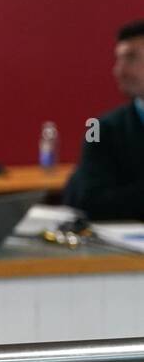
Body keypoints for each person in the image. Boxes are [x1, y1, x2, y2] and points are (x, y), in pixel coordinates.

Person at [65, 20, 144, 220]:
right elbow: (89, 200)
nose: (119, 71)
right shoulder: (99, 128)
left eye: (131, 59)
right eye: (118, 60)